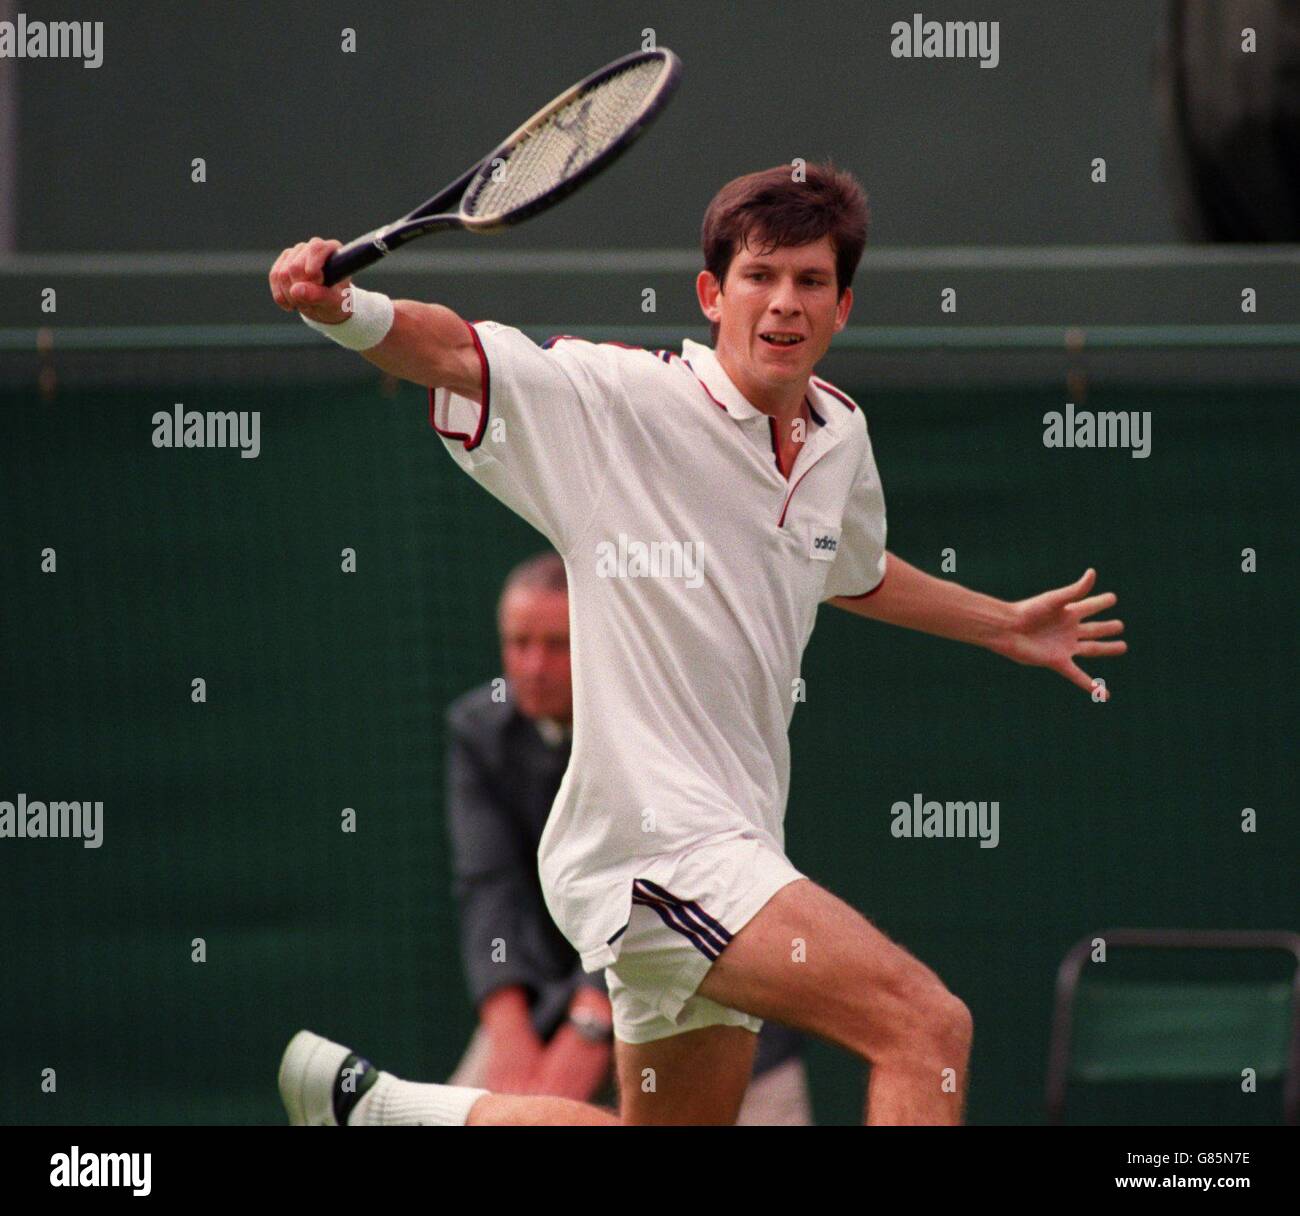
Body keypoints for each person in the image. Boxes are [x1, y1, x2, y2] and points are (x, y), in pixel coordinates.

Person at [270, 161, 1126, 1126]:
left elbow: (856, 571)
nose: (784, 303)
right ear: (712, 294)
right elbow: (462, 354)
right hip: (657, 850)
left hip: (734, 846)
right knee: (925, 1027)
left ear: (843, 306)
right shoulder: (620, 404)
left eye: (810, 281)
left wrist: (1005, 623)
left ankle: (388, 1111)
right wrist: (343, 310)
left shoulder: (840, 436)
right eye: (760, 276)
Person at [445, 549, 813, 1121]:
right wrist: (511, 1043)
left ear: (599, 643)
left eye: (557, 645)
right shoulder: (478, 732)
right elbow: (489, 888)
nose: (533, 666)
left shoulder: (659, 724)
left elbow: (647, 889)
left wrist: (589, 1028)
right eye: (518, 643)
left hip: (710, 1005)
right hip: (544, 1009)